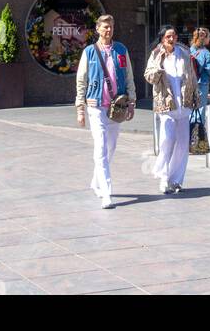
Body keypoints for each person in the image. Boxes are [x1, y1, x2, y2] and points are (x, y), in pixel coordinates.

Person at [75, 14, 136, 209]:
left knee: (111, 147)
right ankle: (106, 193)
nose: (108, 30)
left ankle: (96, 181)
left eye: (111, 27)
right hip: (96, 106)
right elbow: (81, 79)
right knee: (100, 147)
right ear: (98, 29)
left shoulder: (121, 49)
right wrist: (80, 108)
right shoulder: (90, 52)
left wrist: (132, 101)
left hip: (116, 106)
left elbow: (129, 76)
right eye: (105, 27)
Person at [144, 26, 199, 194]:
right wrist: (159, 65)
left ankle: (176, 180)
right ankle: (163, 176)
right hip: (166, 105)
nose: (171, 38)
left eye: (174, 35)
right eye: (168, 36)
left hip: (183, 105)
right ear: (162, 38)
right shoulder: (156, 54)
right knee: (167, 140)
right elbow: (149, 77)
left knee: (182, 145)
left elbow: (192, 76)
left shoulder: (183, 54)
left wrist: (196, 95)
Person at [190, 27, 210, 133]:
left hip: (190, 84)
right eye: (209, 36)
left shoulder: (190, 50)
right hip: (202, 84)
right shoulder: (205, 52)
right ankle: (199, 136)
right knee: (200, 109)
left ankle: (190, 135)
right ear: (204, 38)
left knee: (191, 110)